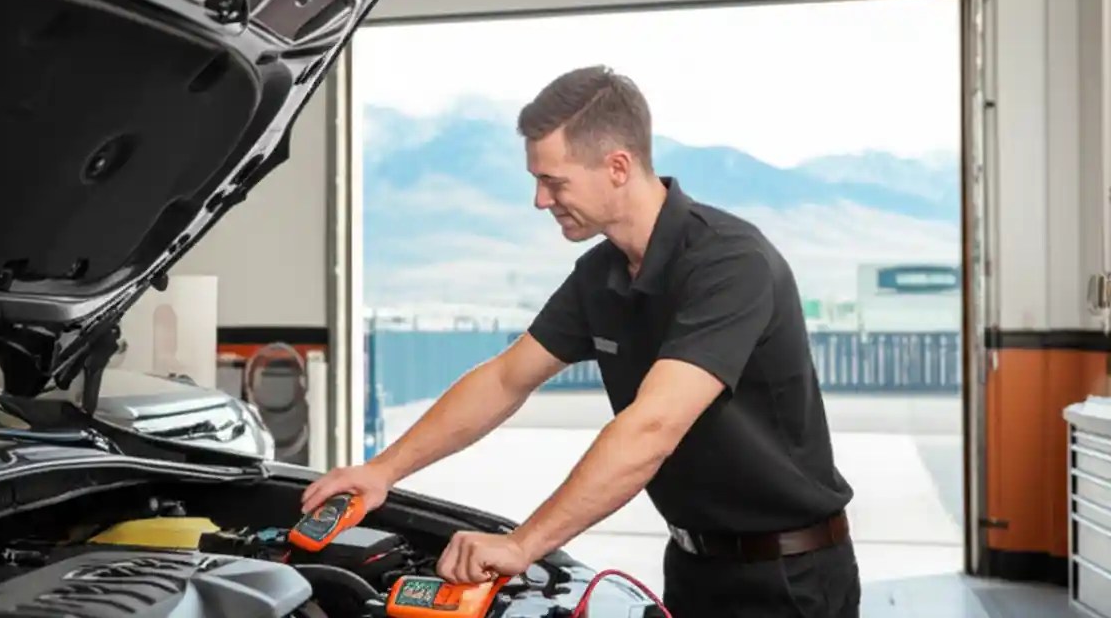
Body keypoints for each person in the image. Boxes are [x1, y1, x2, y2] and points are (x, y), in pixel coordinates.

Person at [301, 65, 860, 617]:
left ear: (618, 166)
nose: (540, 201)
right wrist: (382, 471)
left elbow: (652, 428)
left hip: (789, 578)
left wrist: (524, 544)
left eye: (554, 181)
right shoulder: (602, 273)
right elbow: (504, 378)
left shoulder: (729, 264)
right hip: (693, 566)